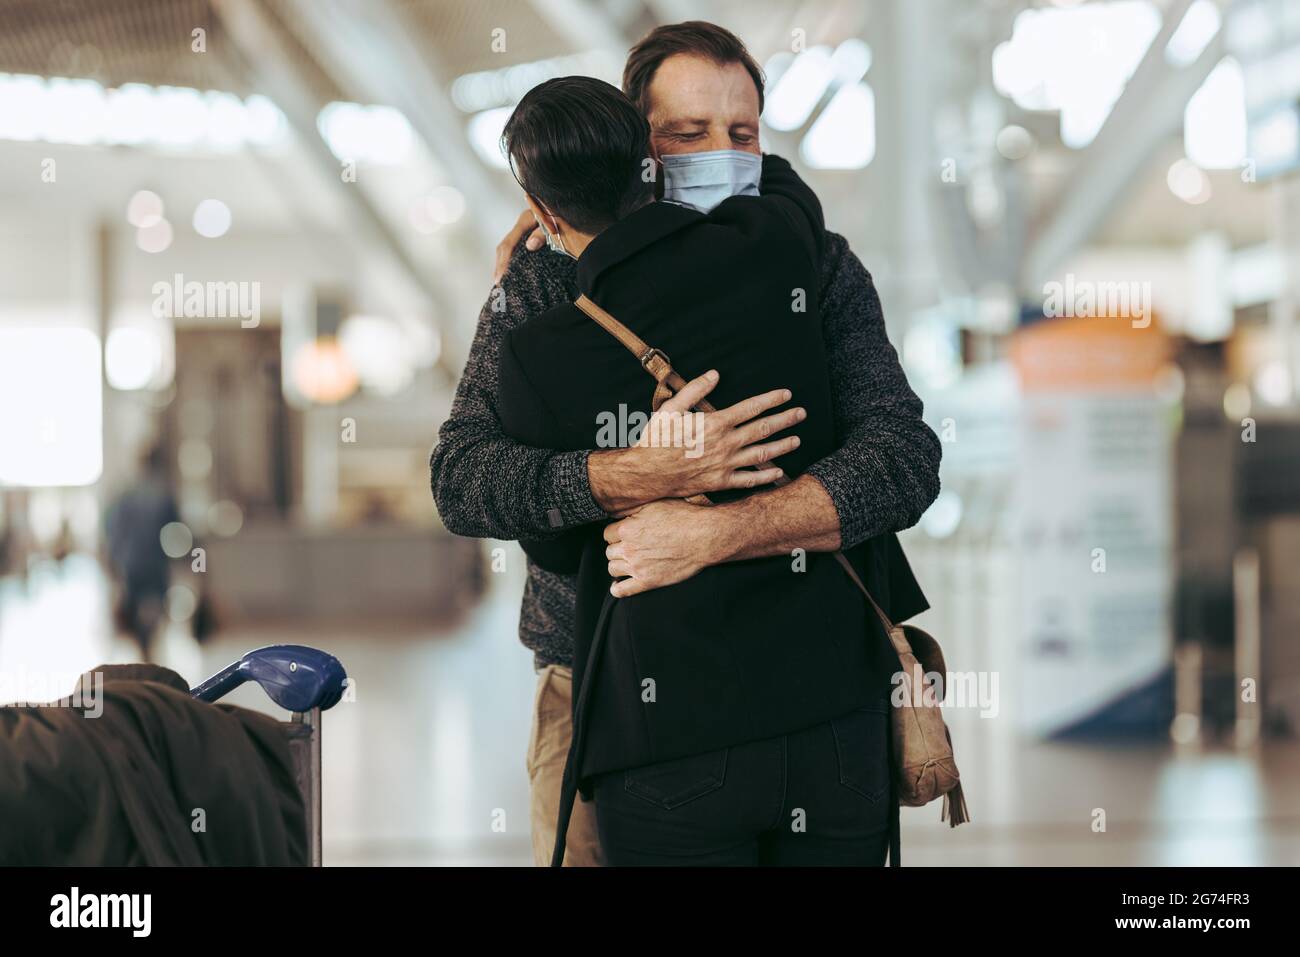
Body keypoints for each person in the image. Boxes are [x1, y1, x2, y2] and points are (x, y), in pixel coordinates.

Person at [429, 21, 940, 866]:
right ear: (637, 147)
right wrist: (635, 474)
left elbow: (902, 458)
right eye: (686, 135)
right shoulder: (546, 276)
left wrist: (717, 531)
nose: (721, 156)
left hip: (809, 685)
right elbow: (463, 479)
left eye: (742, 134)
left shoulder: (816, 265)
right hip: (600, 685)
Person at [105, 446, 180, 663]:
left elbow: (114, 533)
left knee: (134, 607)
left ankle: (143, 647)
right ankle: (149, 647)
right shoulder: (164, 494)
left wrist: (113, 562)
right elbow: (177, 530)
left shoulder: (125, 494)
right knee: (156, 607)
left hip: (131, 564)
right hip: (156, 563)